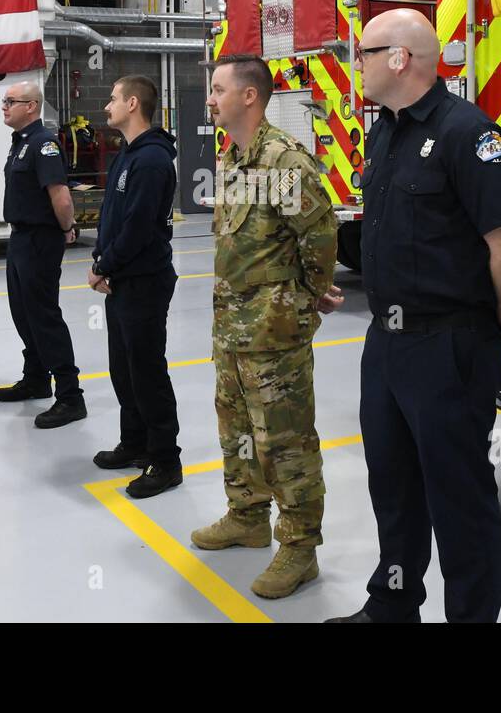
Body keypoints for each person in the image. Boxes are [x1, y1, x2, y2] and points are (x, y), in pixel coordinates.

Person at [325, 9, 501, 623]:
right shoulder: (385, 132)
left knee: (459, 499)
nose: (354, 63)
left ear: (401, 59)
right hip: (386, 343)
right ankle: (393, 605)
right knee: (392, 486)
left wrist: (498, 331)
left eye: (363, 52)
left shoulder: (468, 134)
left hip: (449, 343)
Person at [191, 53, 338, 599]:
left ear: (249, 96)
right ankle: (246, 516)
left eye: (218, 88)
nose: (210, 97)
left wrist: (305, 299)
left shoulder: (283, 161)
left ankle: (300, 548)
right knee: (238, 431)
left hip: (274, 331)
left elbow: (319, 237)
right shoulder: (234, 158)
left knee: (286, 439)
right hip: (232, 327)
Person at [87, 76, 183, 498]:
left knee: (146, 373)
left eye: (111, 99)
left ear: (131, 103)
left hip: (144, 281)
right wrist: (106, 265)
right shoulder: (129, 155)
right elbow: (117, 219)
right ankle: (135, 442)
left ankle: (165, 460)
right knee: (123, 369)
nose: (106, 106)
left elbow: (139, 227)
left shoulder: (151, 160)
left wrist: (104, 264)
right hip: (123, 279)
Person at [0, 79, 85, 429]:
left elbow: (60, 196)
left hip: (39, 240)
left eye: (10, 101)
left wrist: (67, 228)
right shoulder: (21, 142)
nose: (4, 106)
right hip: (20, 239)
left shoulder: (43, 143)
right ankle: (35, 377)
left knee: (44, 316)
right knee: (23, 313)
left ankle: (69, 395)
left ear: (31, 106)